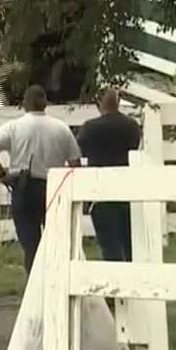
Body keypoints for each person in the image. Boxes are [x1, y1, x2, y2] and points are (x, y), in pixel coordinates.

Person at [0, 84, 82, 274]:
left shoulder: (14, 126)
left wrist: (2, 174)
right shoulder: (61, 128)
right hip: (53, 187)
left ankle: (34, 282)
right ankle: (57, 280)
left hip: (24, 186)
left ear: (25, 103)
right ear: (45, 103)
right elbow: (75, 163)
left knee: (30, 244)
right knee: (57, 240)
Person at [77, 87, 143, 262]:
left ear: (99, 103)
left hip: (101, 192)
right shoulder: (131, 126)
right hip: (126, 191)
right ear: (118, 102)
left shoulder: (89, 128)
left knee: (109, 245)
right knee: (130, 244)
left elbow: (81, 151)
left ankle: (114, 273)